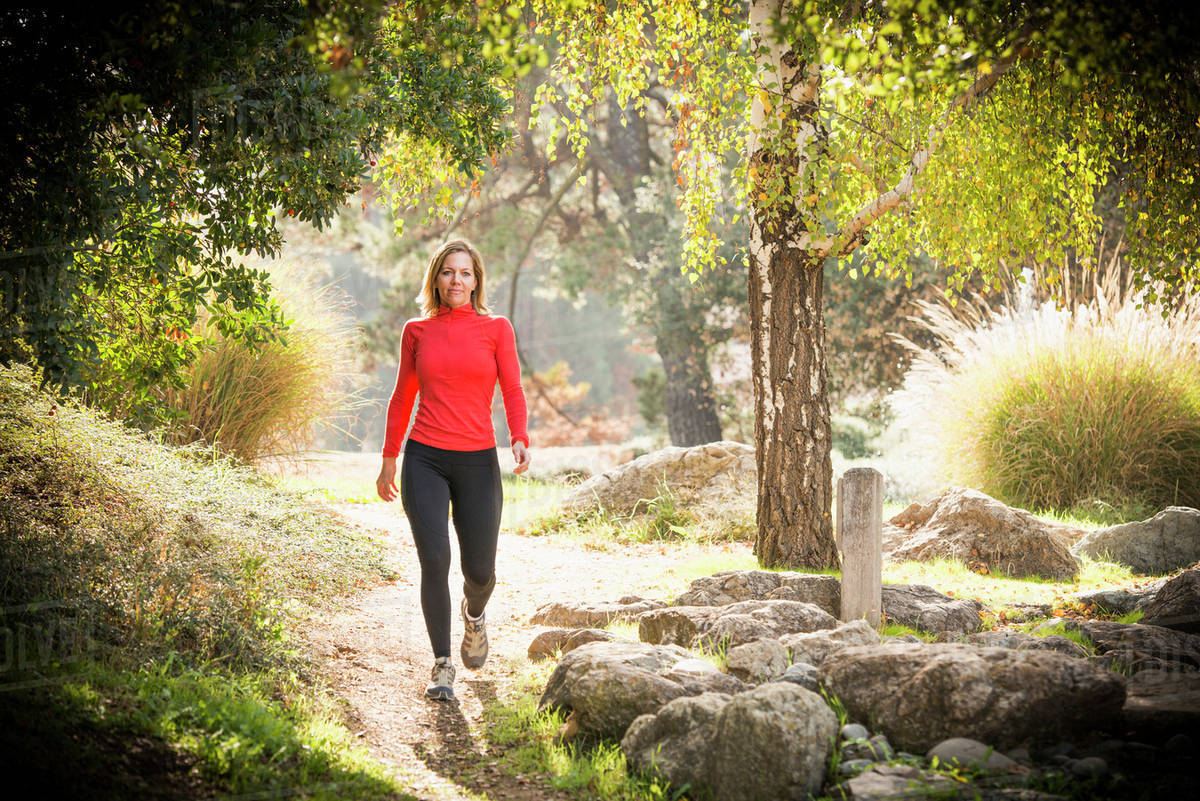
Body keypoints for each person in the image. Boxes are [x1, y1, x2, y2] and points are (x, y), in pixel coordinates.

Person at [375, 239, 531, 701]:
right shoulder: (416, 331)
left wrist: (519, 436)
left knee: (480, 570)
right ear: (436, 279)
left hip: (478, 460)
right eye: (447, 272)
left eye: (465, 273)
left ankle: (475, 615)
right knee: (435, 560)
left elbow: (514, 387)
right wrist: (389, 458)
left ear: (477, 280)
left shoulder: (496, 328)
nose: (456, 281)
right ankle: (443, 663)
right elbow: (402, 396)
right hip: (425, 456)